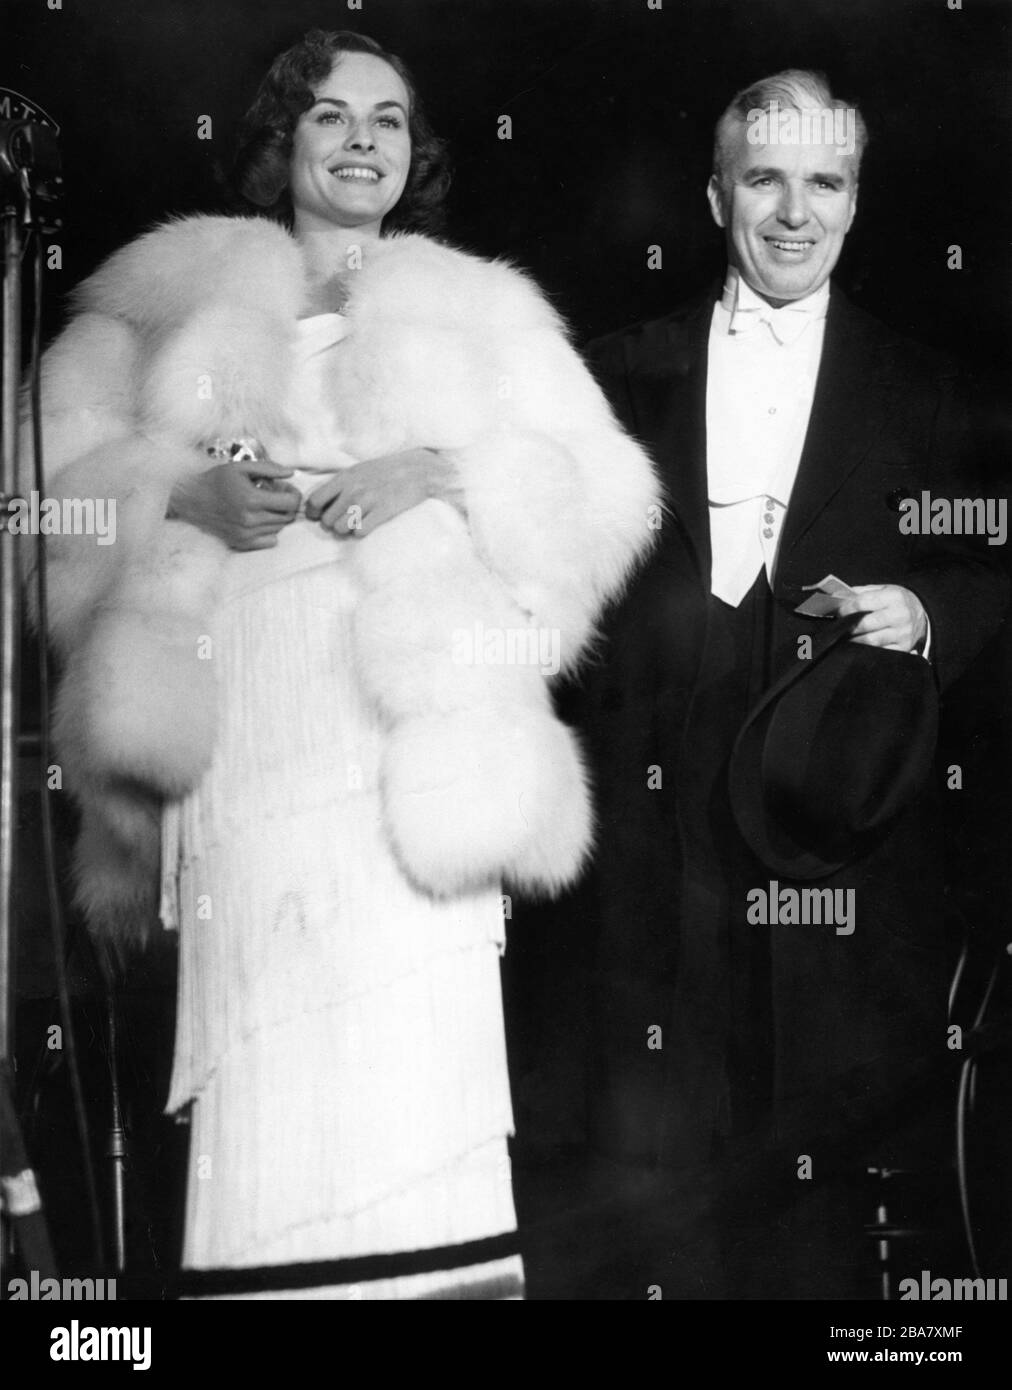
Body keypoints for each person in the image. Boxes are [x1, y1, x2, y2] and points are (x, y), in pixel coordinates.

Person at [26, 29, 658, 1299]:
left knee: (410, 1077)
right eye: (329, 115)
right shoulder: (163, 301)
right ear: (278, 142)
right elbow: (37, 515)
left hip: (409, 737)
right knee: (270, 1066)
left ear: (413, 154)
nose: (361, 138)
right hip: (249, 721)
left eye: (387, 118)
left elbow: (605, 503)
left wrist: (443, 470)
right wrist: (182, 500)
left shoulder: (480, 306)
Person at [578, 69, 1008, 1298]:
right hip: (650, 866)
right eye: (763, 177)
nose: (792, 210)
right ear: (716, 196)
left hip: (837, 863)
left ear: (856, 201)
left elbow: (999, 553)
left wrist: (928, 609)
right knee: (644, 1202)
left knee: (811, 1223)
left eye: (824, 181)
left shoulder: (932, 390)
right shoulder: (613, 375)